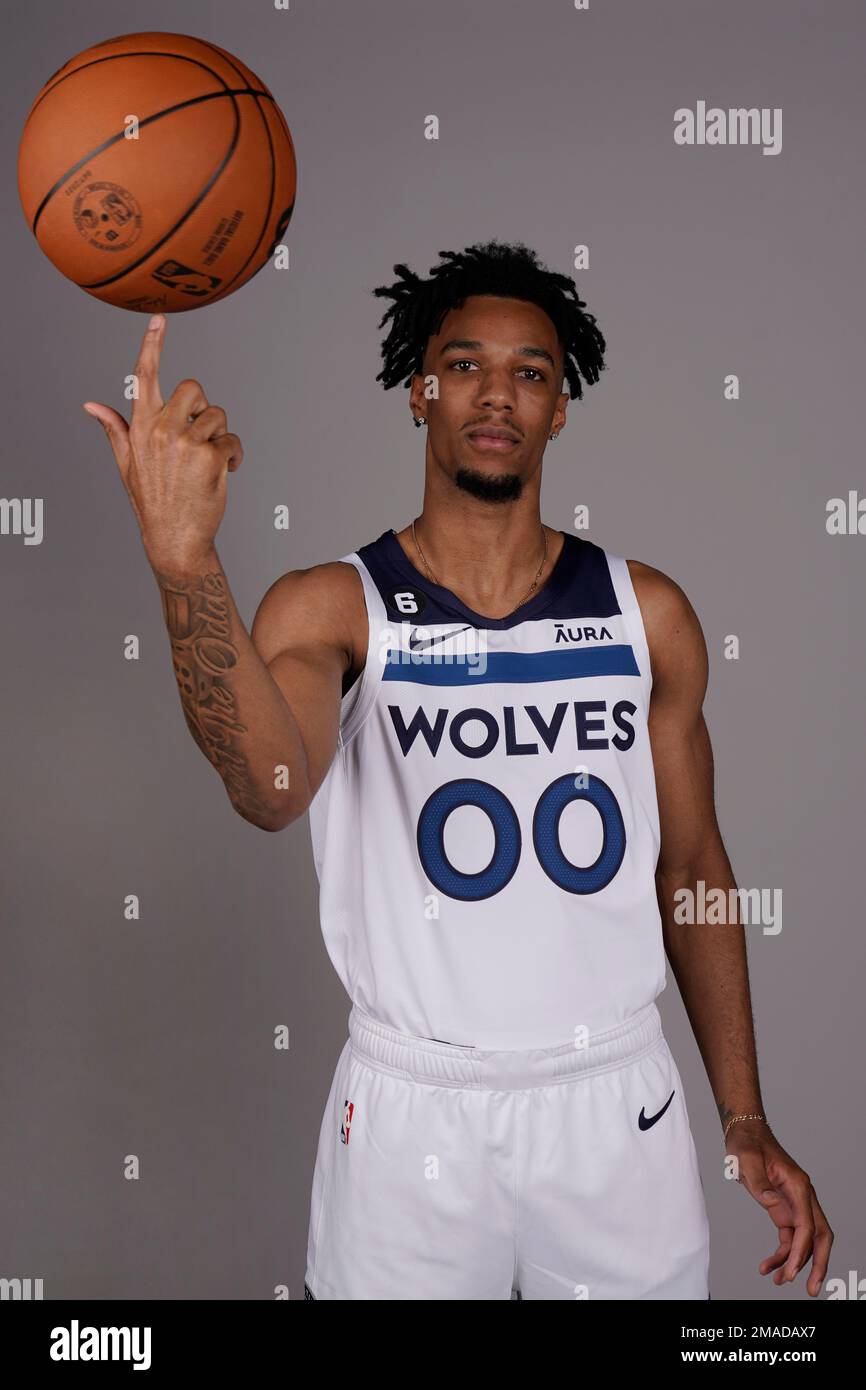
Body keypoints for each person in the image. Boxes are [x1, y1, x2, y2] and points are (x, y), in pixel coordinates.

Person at [84, 239, 832, 1301]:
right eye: (465, 365)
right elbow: (268, 792)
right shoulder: (331, 607)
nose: (497, 393)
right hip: (410, 1112)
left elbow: (693, 869)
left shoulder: (644, 614)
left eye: (530, 372)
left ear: (559, 408)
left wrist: (744, 1114)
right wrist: (185, 565)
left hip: (612, 1103)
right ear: (417, 393)